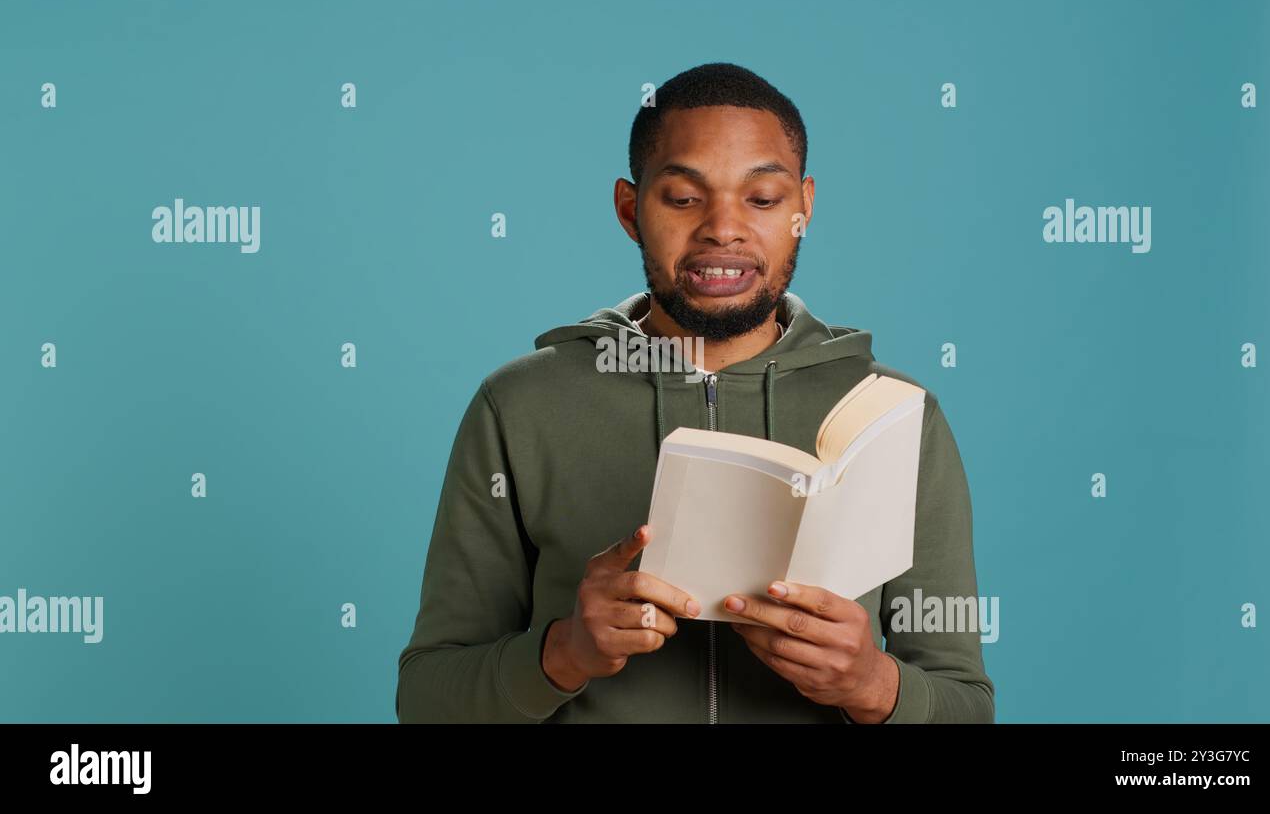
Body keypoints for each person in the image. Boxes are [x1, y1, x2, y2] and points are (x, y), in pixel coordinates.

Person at [396, 62, 994, 723]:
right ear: (631, 209)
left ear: (804, 207)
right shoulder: (517, 406)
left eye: (762, 199)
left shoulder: (891, 413)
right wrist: (563, 652)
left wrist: (874, 684)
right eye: (683, 198)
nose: (723, 228)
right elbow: (427, 700)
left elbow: (967, 704)